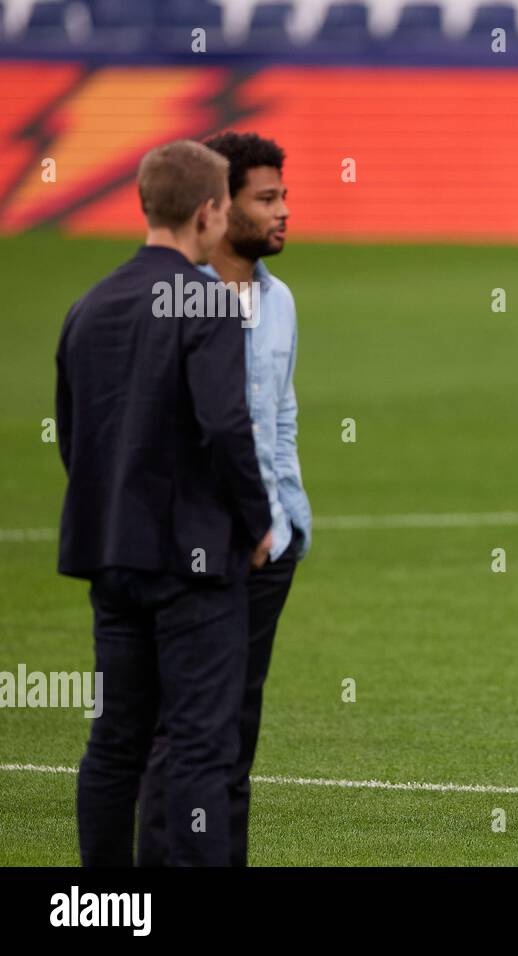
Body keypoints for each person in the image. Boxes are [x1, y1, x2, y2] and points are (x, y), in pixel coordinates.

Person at [57, 140, 272, 866]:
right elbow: (224, 424)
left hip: (112, 553)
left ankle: (106, 904)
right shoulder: (205, 297)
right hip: (195, 561)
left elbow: (74, 435)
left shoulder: (89, 304)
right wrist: (255, 521)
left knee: (115, 739)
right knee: (199, 745)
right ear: (210, 213)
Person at [136, 132, 311, 867]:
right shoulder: (176, 300)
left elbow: (280, 415)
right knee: (181, 736)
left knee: (236, 732)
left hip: (270, 544)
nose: (284, 213)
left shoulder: (279, 300)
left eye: (284, 196)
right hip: (201, 546)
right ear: (218, 206)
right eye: (266, 199)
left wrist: (289, 518)